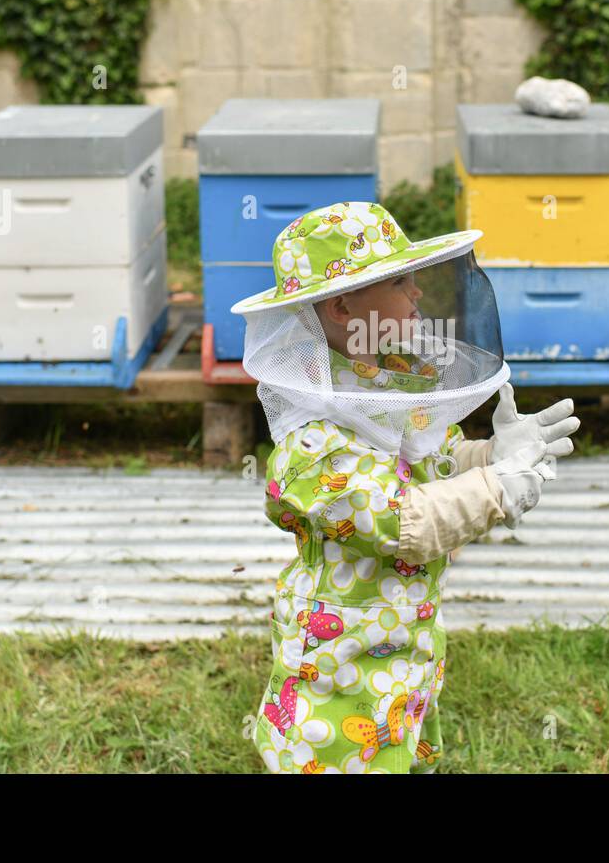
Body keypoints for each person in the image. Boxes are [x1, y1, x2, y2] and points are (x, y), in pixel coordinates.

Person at [231, 200, 579, 773]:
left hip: (400, 636)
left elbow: (434, 467)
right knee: (339, 753)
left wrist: (496, 453)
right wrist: (498, 486)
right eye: (399, 280)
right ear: (344, 306)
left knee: (395, 744)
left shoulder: (383, 391)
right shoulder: (314, 444)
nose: (417, 293)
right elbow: (404, 522)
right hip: (340, 656)